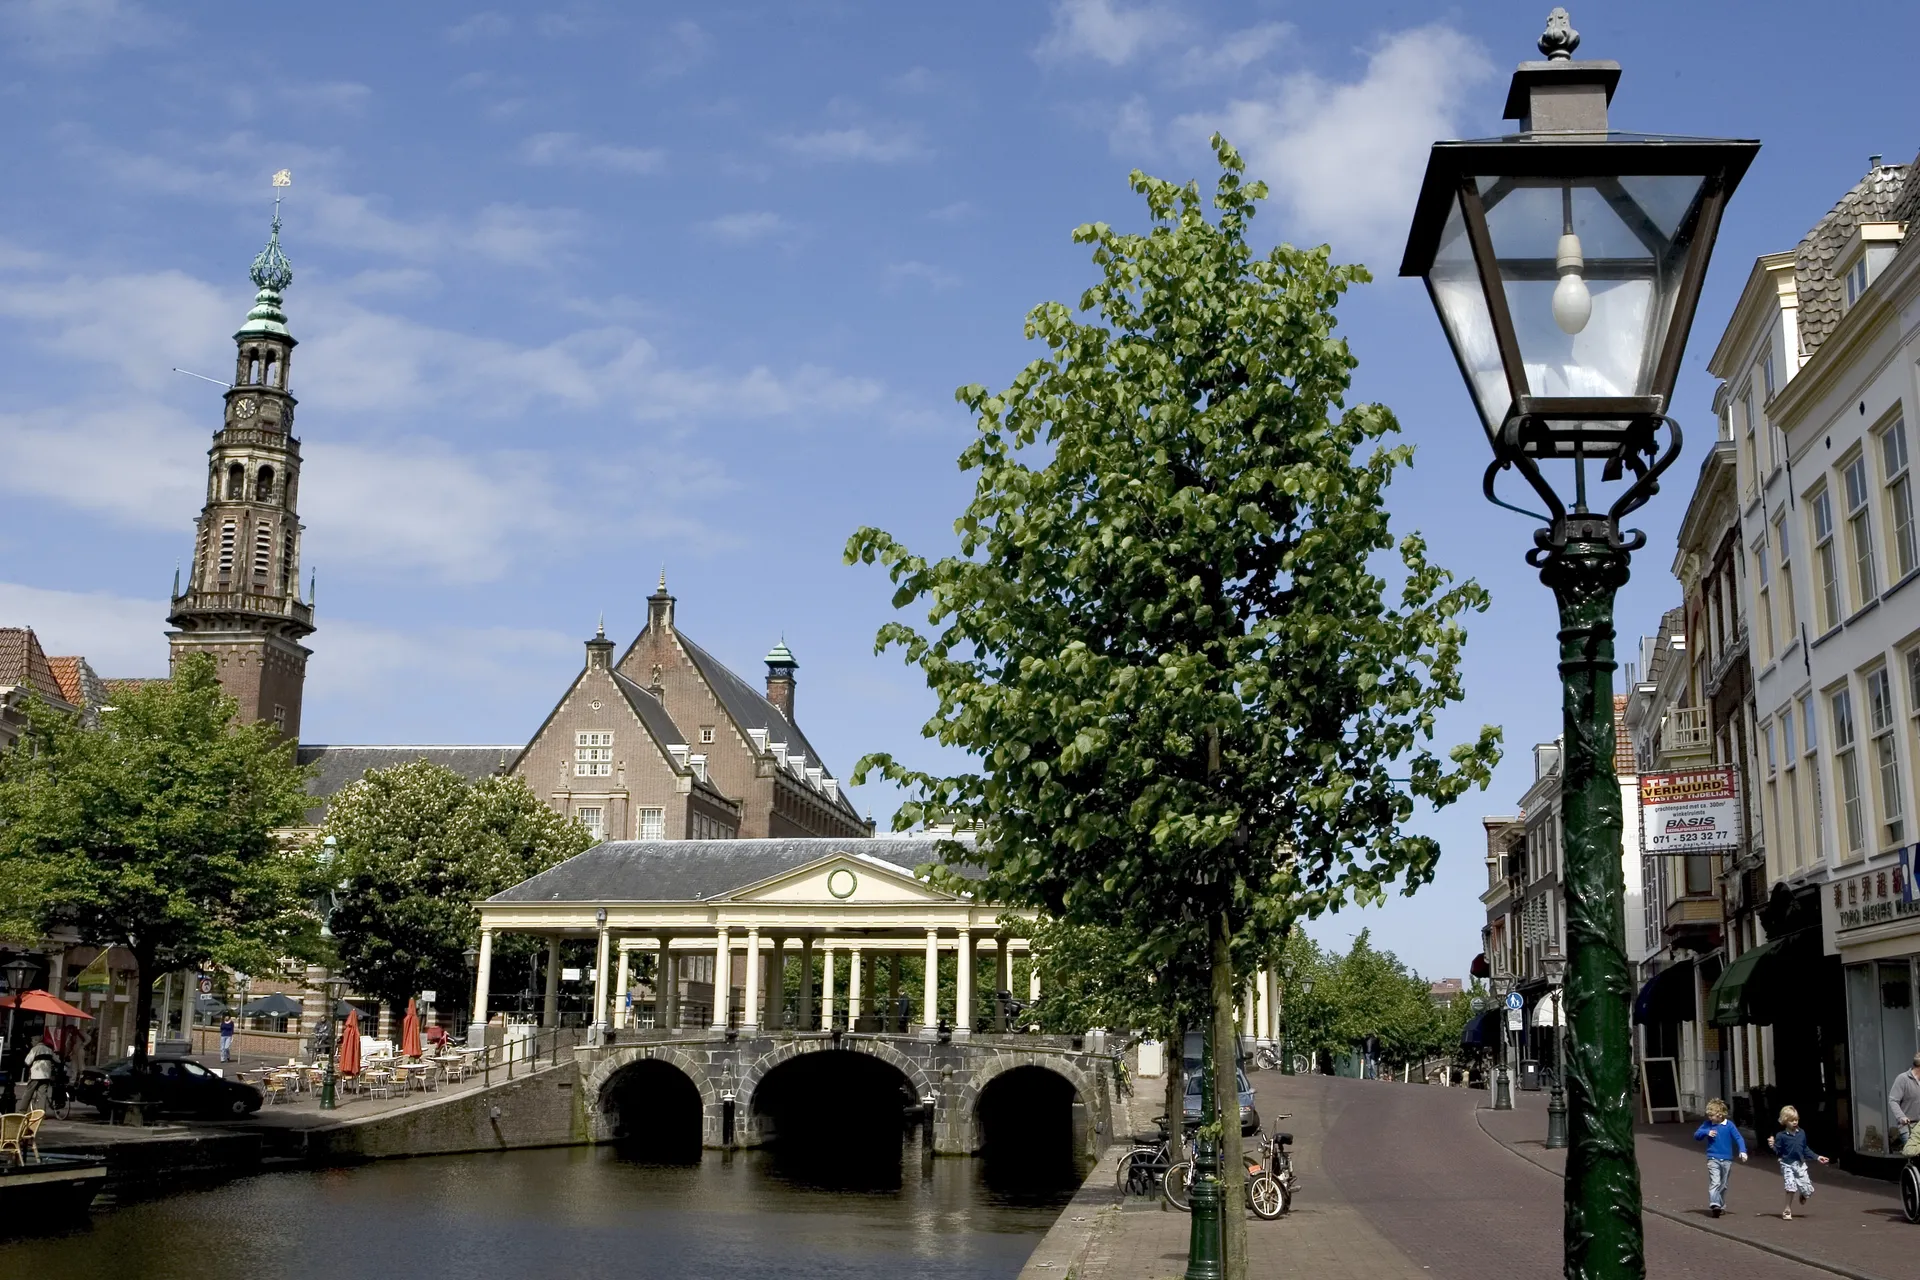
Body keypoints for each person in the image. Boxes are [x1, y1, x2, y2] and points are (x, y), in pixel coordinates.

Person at [1766, 1105, 1827, 1220]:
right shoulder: (1781, 1136)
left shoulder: (1801, 1133)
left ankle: (1803, 1194)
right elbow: (1778, 1151)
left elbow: (1805, 1149)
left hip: (1800, 1165)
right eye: (1791, 1120)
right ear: (1785, 1121)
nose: (1795, 1122)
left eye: (1796, 1119)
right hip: (1787, 1164)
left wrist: (1817, 1157)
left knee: (1808, 1191)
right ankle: (1787, 1210)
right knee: (1790, 1187)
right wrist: (1772, 1145)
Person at [1693, 1097, 1747, 1217]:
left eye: (1712, 1116)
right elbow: (1696, 1135)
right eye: (1709, 1115)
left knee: (1723, 1185)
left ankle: (1720, 1206)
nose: (1710, 1118)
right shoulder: (1707, 1125)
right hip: (1713, 1158)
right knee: (1715, 1182)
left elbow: (1738, 1138)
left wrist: (1743, 1151)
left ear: (1720, 1114)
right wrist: (1706, 1132)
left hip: (1727, 1159)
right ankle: (1714, 1204)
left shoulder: (1729, 1125)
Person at [1890, 1051, 1920, 1157]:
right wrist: (1901, 1117)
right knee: (1912, 1152)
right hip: (1909, 1127)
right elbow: (1893, 1100)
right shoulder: (1903, 1079)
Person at [22, 1037, 59, 1113]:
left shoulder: (34, 1049)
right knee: (42, 1094)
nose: (31, 1043)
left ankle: (22, 1111)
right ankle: (41, 1113)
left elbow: (27, 1062)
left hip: (35, 1076)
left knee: (28, 1093)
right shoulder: (49, 1050)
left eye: (32, 1041)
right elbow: (57, 1060)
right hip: (46, 1076)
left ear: (36, 1041)